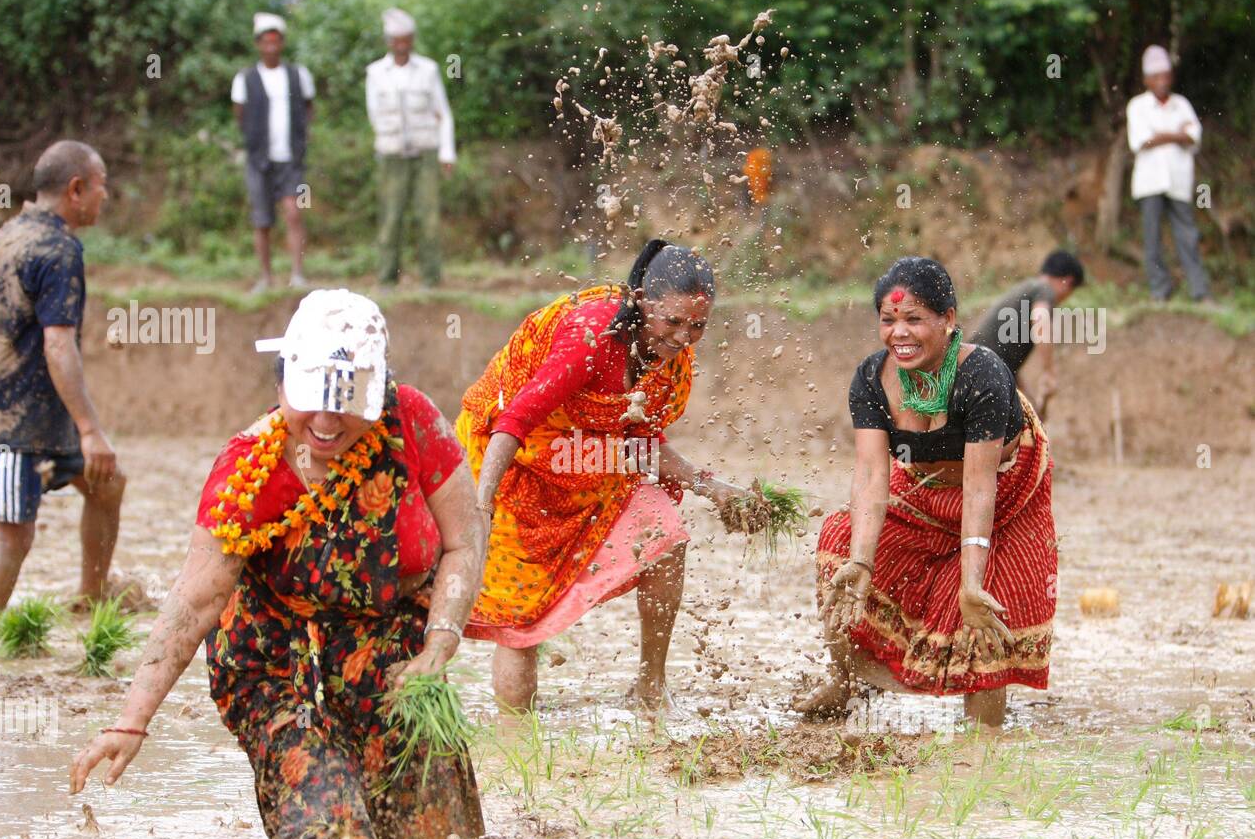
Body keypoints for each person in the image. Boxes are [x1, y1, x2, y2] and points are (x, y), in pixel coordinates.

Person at [71, 290, 487, 839]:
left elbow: (465, 540)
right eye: (311, 398)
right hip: (280, 669)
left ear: (377, 389)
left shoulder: (411, 422)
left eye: (345, 401)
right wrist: (130, 722)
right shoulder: (249, 470)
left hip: (395, 664)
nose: (325, 422)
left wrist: (440, 644)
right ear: (283, 380)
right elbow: (195, 603)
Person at [456, 240, 764, 712]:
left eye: (697, 326)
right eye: (673, 322)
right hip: (515, 467)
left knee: (665, 539)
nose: (683, 337)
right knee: (521, 621)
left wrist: (714, 488)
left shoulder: (667, 360)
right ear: (641, 301)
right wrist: (481, 507)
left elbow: (638, 445)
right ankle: (516, 737)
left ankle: (650, 687)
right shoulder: (590, 340)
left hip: (589, 464)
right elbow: (514, 420)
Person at [798, 257, 1057, 728]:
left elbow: (980, 486)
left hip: (1003, 493)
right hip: (923, 486)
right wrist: (862, 561)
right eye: (888, 319)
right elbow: (872, 474)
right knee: (840, 540)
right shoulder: (872, 380)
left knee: (985, 602)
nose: (900, 332)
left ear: (948, 319)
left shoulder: (983, 376)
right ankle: (846, 680)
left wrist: (971, 583)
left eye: (914, 319)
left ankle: (984, 738)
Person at [0, 141, 129, 629]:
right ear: (76, 189)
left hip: (28, 410)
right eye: (100, 186)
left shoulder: (8, 233)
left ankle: (91, 601)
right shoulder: (58, 250)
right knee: (12, 536)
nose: (105, 196)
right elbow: (59, 346)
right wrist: (90, 430)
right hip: (13, 418)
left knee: (107, 484)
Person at [366, 7, 455, 291]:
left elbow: (443, 113)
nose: (401, 45)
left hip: (425, 153)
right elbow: (374, 114)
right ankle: (387, 279)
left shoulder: (428, 70)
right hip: (392, 155)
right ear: (389, 42)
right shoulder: (375, 73)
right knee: (390, 217)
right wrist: (386, 143)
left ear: (412, 39)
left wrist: (447, 152)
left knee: (428, 217)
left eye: (406, 39)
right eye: (396, 40)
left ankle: (431, 279)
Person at [232, 11, 315, 294]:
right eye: (266, 42)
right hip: (259, 160)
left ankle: (297, 275)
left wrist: (302, 137)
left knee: (294, 212)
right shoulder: (245, 78)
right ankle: (266, 278)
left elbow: (308, 108)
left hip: (292, 158)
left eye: (276, 41)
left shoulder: (298, 75)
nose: (271, 47)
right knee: (262, 219)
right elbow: (240, 115)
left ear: (282, 43)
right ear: (258, 44)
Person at [1126, 45, 1210, 302]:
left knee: (1188, 236)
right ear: (1146, 80)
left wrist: (1162, 135)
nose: (1162, 81)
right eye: (1156, 76)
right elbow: (1141, 141)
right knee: (1152, 238)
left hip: (1178, 181)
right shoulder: (1137, 106)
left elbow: (1194, 137)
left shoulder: (1181, 104)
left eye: (1165, 75)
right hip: (1149, 182)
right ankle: (1159, 292)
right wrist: (1177, 134)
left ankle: (1200, 292)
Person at [969, 250, 1085, 419]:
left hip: (976, 372)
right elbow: (1040, 321)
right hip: (981, 376)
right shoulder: (1044, 289)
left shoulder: (1027, 290)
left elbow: (1007, 368)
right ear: (1067, 282)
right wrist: (1049, 371)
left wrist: (1031, 408)